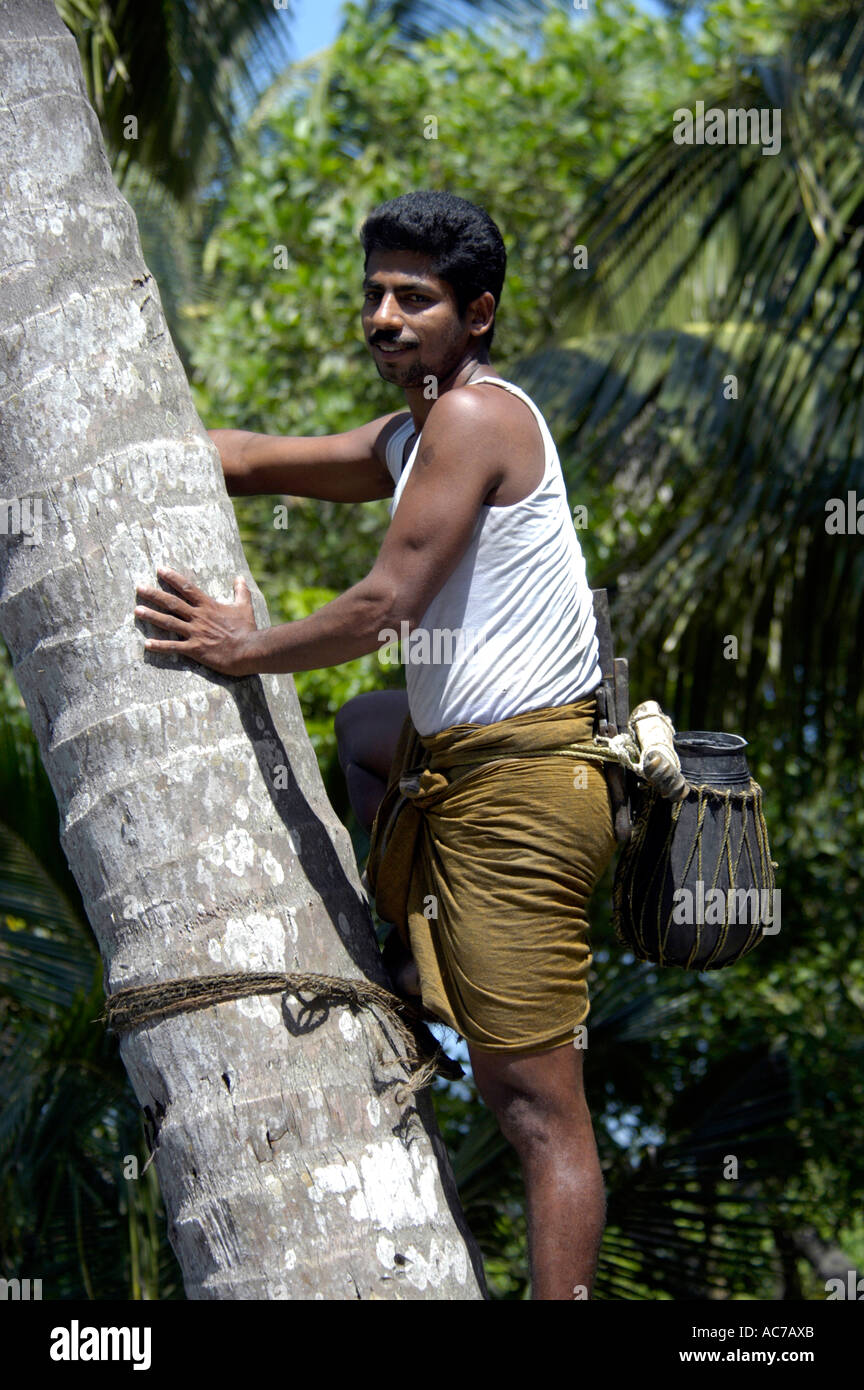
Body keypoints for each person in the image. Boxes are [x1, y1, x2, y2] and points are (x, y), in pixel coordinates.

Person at [138, 190, 616, 1300]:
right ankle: (408, 974)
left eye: (417, 297)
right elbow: (253, 457)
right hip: (463, 762)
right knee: (363, 730)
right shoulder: (414, 433)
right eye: (375, 296)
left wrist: (241, 647)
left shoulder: (478, 419)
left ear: (478, 311)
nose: (387, 317)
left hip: (527, 788)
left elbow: (386, 602)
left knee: (540, 1110)